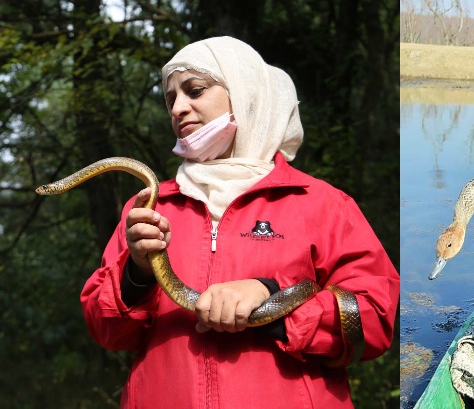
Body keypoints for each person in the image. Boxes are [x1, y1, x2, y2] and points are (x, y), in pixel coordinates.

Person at [80, 36, 399, 408]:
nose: (178, 108)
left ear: (245, 93)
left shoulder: (322, 203)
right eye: (170, 99)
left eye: (195, 91)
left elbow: (375, 319)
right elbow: (107, 331)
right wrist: (137, 273)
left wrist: (271, 301)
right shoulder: (149, 209)